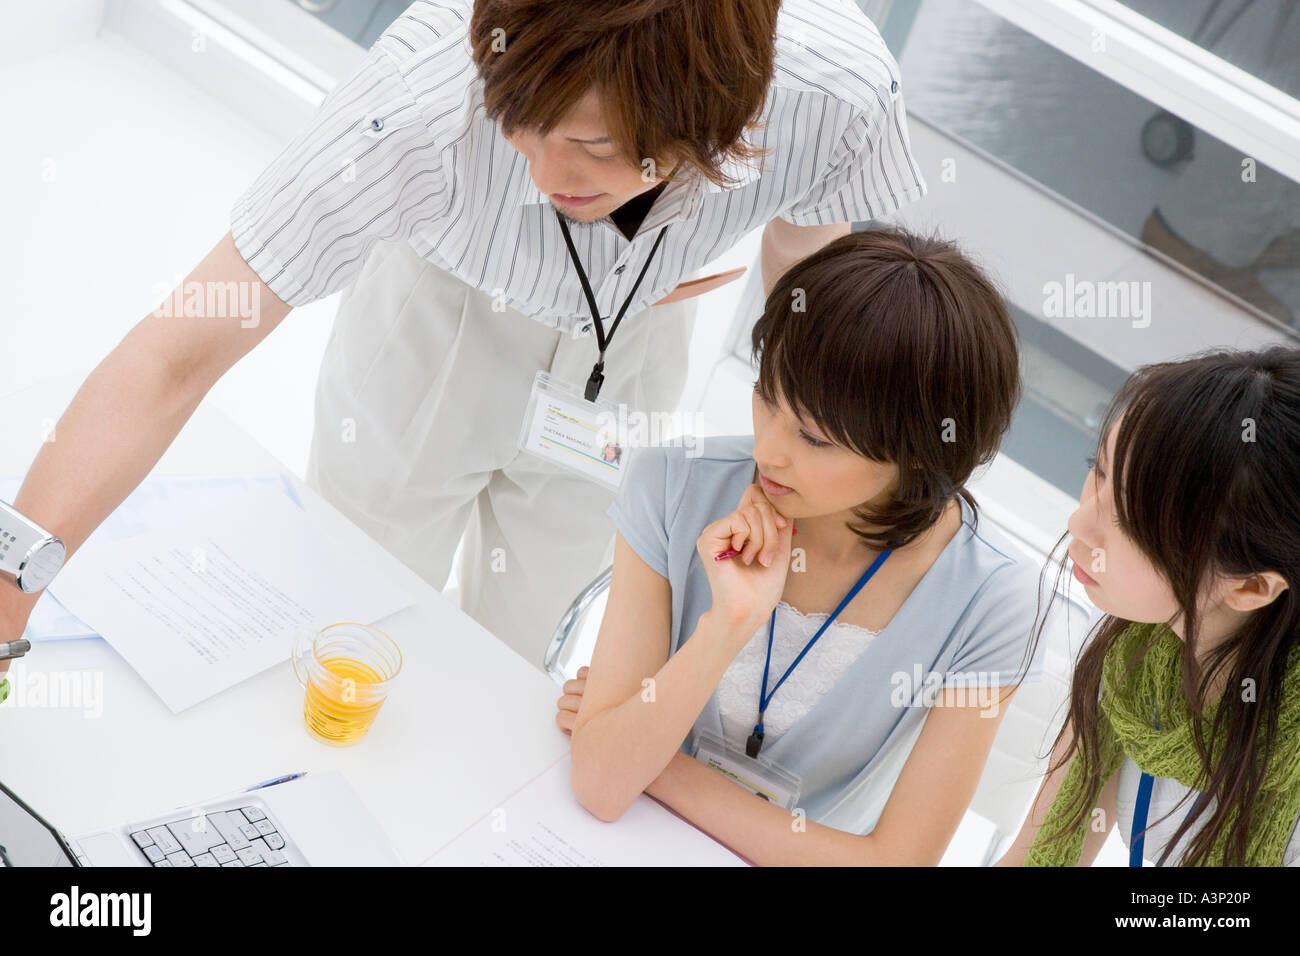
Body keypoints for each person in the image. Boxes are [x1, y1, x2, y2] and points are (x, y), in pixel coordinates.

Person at [0, 0, 928, 674]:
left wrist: (815, 450)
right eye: (518, 130)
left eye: (592, 148)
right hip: (440, 320)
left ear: (713, 121)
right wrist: (9, 599)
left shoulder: (835, 91)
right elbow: (173, 354)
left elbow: (815, 255)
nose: (544, 176)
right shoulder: (418, 103)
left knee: (522, 638)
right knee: (351, 601)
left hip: (638, 343)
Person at [555, 227, 1048, 865]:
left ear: (922, 454)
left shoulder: (994, 602)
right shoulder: (676, 481)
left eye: (814, 437)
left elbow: (895, 862)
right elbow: (599, 786)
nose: (767, 451)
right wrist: (726, 626)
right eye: (766, 397)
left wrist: (648, 756)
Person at [997, 347, 1300, 866]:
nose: (1079, 523)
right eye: (1098, 470)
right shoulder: (1134, 662)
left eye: (1131, 522)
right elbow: (1034, 859)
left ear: (1251, 588)